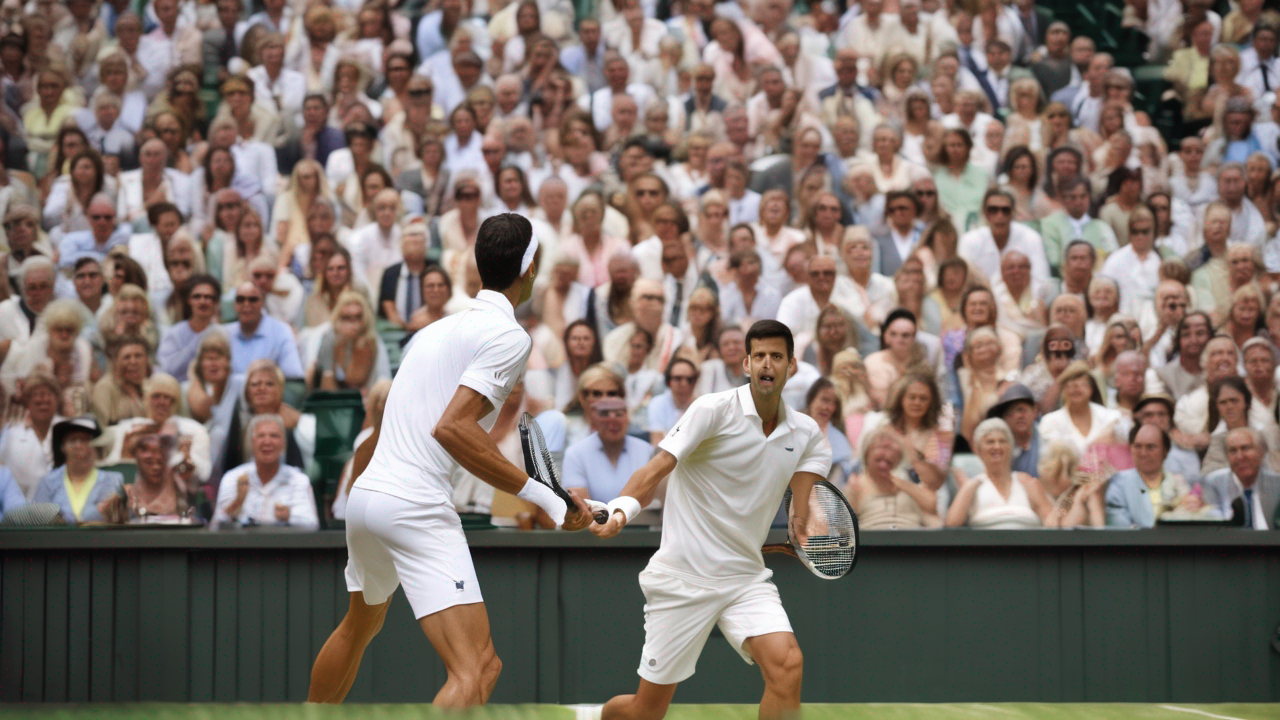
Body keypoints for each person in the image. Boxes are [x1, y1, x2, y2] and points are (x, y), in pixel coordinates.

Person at [308, 214, 595, 707]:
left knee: (360, 624)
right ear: (530, 269)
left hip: (368, 497)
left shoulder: (434, 332)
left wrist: (364, 493)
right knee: (479, 668)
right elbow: (452, 427)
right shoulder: (510, 337)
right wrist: (547, 498)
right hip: (413, 503)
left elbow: (393, 426)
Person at [590, 320, 832, 720]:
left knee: (787, 666)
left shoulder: (807, 434)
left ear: (791, 365)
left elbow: (801, 507)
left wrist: (803, 523)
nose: (767, 364)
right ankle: (591, 716)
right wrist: (621, 509)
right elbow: (656, 469)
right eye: (760, 356)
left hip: (744, 578)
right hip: (683, 577)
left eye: (777, 356)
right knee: (644, 713)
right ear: (746, 364)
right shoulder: (711, 410)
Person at [211, 413, 319, 530]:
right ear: (251, 442)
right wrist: (237, 502)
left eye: (274, 436)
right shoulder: (233, 478)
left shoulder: (297, 480)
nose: (267, 442)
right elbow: (215, 527)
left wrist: (289, 516)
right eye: (261, 436)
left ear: (283, 444)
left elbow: (312, 525)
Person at [563, 397, 660, 525]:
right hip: (592, 534)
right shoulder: (575, 454)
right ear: (592, 419)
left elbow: (654, 501)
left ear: (628, 418)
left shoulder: (647, 451)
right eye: (604, 414)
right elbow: (581, 507)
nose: (612, 420)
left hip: (641, 530)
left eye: (619, 414)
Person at [946, 418, 1053, 528]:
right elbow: (952, 524)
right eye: (990, 442)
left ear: (1010, 447)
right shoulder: (973, 486)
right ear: (978, 449)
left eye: (1002, 441)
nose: (997, 447)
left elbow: (1052, 522)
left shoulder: (1026, 482)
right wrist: (968, 487)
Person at [32, 417, 125, 525]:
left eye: (85, 440)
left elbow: (117, 520)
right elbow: (37, 521)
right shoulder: (47, 482)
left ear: (96, 445)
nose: (78, 445)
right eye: (73, 440)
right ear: (62, 447)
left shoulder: (113, 480)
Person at [1105, 424, 1200, 528]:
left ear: (1165, 451)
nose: (1143, 453)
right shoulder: (1119, 483)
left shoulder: (1178, 482)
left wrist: (1193, 509)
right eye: (1137, 446)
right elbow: (1119, 526)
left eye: (1151, 447)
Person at [846, 426, 939, 529]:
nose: (888, 454)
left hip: (911, 539)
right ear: (867, 452)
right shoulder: (856, 485)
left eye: (894, 450)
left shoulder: (905, 485)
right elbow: (844, 526)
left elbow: (932, 509)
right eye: (882, 447)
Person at [1202, 427, 1280, 529]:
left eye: (1245, 448)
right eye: (1233, 451)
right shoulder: (1214, 483)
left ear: (1262, 451)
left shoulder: (1277, 484)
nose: (1240, 456)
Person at [222, 281, 304, 378]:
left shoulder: (281, 332)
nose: (246, 304)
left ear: (262, 302)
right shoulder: (223, 334)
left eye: (253, 299)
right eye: (240, 299)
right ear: (234, 304)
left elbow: (294, 378)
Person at [646, 357, 699, 445]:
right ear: (668, 381)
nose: (684, 384)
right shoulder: (657, 404)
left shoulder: (702, 405)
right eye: (678, 379)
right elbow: (657, 443)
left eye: (689, 379)